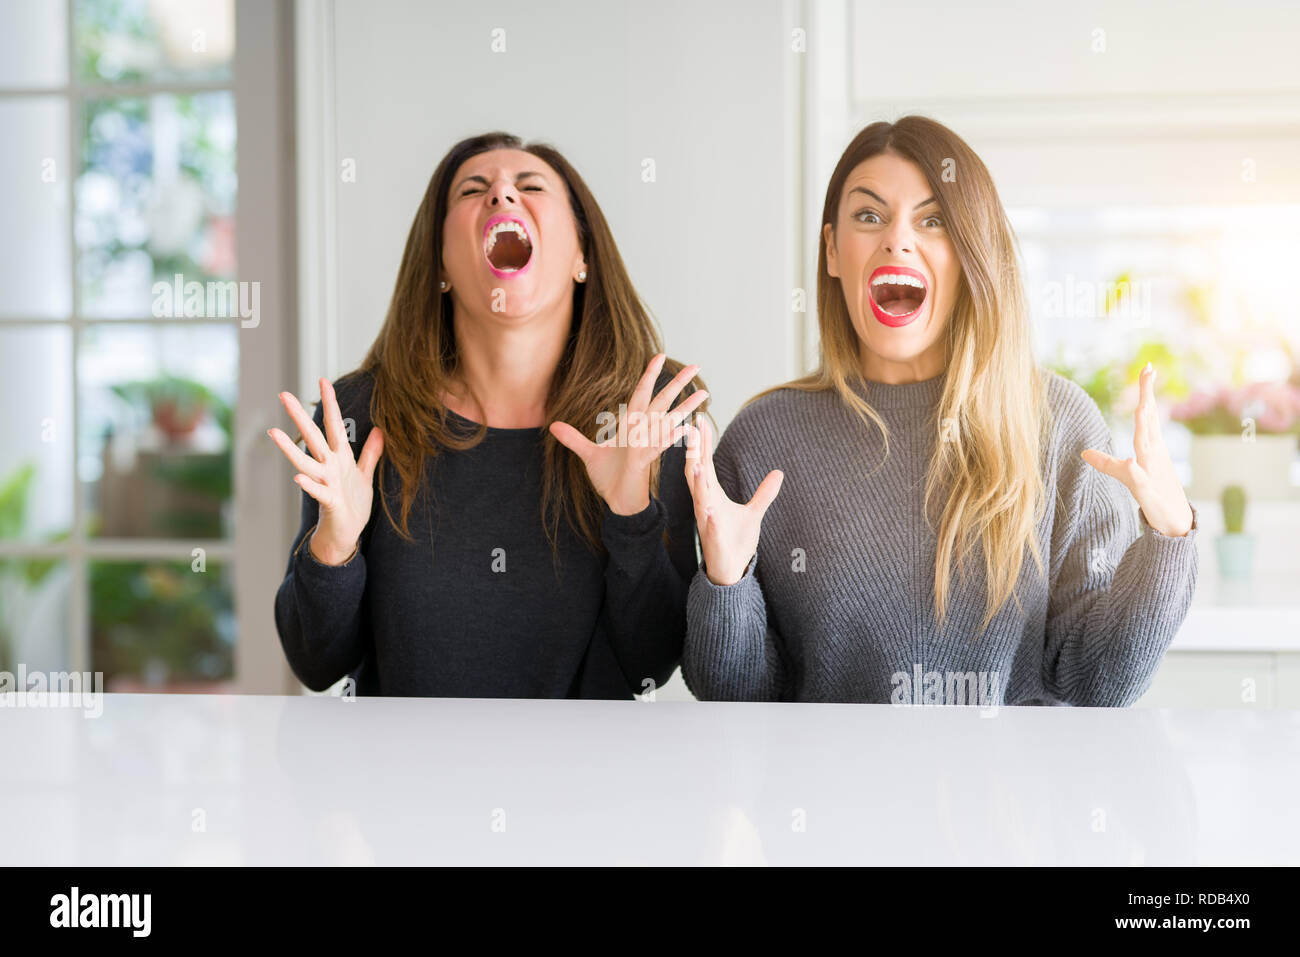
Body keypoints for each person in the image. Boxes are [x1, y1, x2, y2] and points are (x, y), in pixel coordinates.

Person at [680, 115, 1199, 706]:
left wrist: (1169, 535)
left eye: (933, 221)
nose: (896, 240)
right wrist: (725, 583)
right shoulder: (762, 439)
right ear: (832, 250)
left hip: (1016, 773)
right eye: (869, 216)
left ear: (971, 252)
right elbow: (736, 698)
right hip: (828, 771)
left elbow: (1096, 683)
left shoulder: (1058, 423)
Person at [271, 132, 706, 698]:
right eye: (473, 189)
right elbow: (315, 664)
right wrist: (336, 547)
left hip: (587, 760)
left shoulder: (648, 415)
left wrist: (632, 517)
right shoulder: (359, 415)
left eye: (531, 187)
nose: (501, 193)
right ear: (441, 265)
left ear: (583, 256)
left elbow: (652, 661)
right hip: (399, 758)